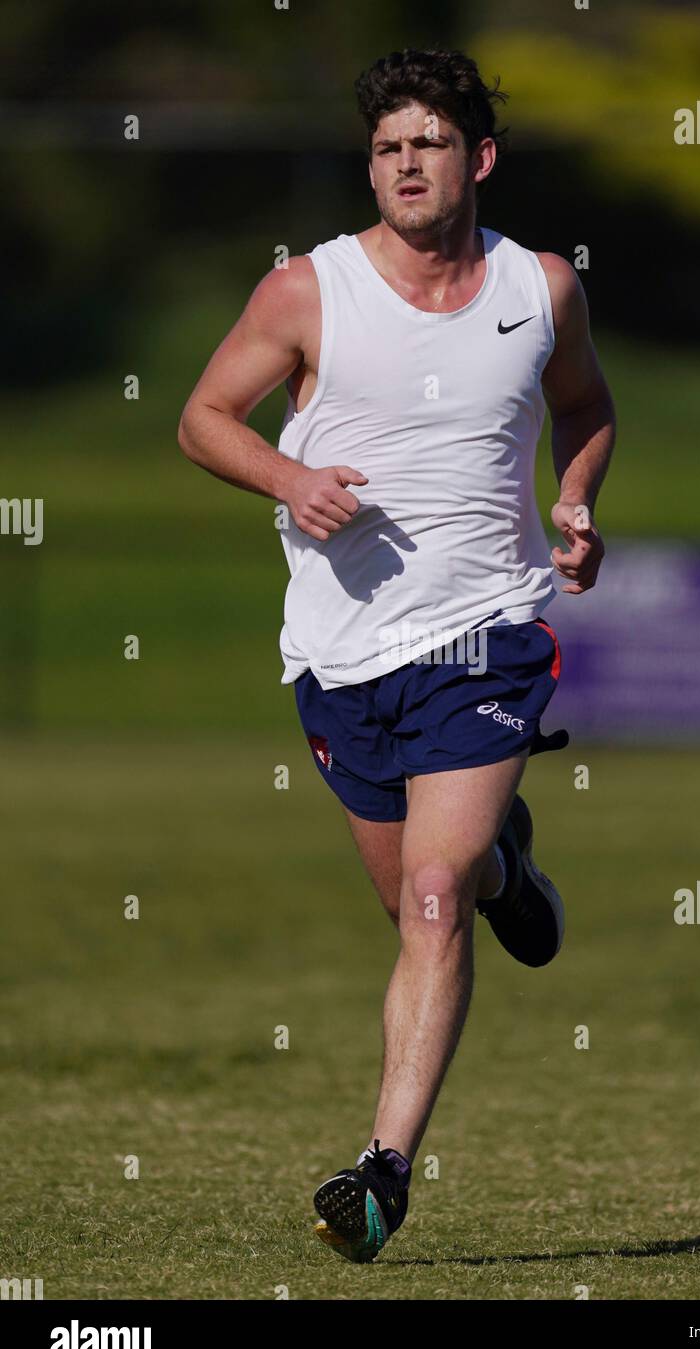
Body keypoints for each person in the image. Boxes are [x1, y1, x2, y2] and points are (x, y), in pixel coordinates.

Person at [178, 47, 615, 1264]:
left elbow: (584, 408)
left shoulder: (539, 288)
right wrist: (289, 475)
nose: (403, 164)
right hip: (341, 658)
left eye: (425, 142)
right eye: (384, 147)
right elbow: (202, 418)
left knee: (432, 896)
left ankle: (380, 1171)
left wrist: (575, 503)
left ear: (475, 159)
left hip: (485, 640)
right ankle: (508, 878)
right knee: (425, 898)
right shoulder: (305, 292)